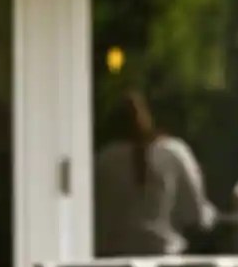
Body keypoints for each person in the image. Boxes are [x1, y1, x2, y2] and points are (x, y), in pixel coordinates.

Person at [93, 90, 217, 257]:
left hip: (112, 263)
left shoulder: (103, 160)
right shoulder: (173, 152)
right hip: (163, 261)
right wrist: (211, 214)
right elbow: (196, 216)